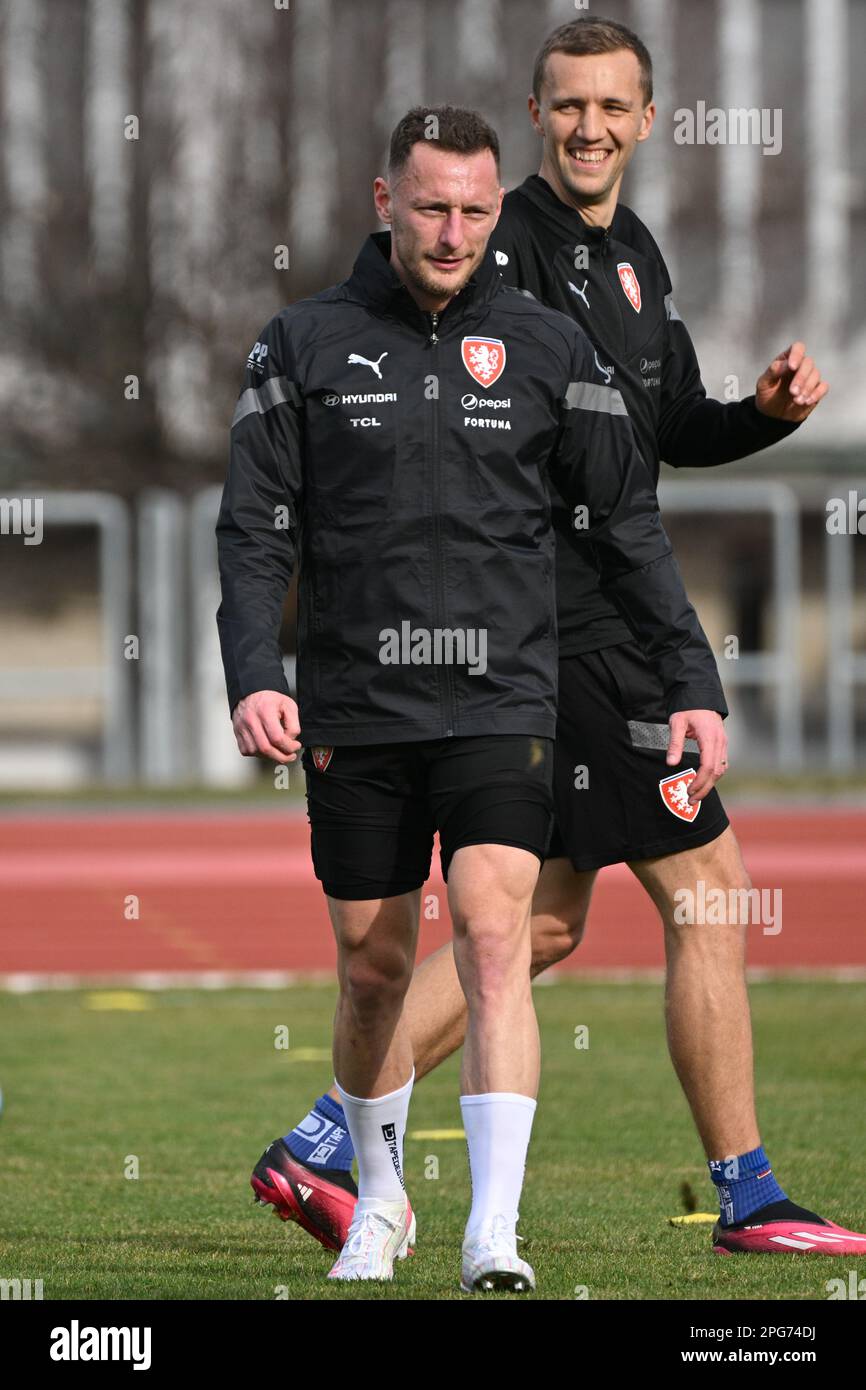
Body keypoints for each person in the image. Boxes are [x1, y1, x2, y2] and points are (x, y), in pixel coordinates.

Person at [255, 21, 866, 1261]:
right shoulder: (505, 245)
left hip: (589, 627)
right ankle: (745, 1193)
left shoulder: (628, 253)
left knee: (536, 924)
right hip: (565, 631)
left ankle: (325, 1137)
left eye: (612, 105)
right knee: (706, 887)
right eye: (568, 104)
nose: (589, 124)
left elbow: (662, 432)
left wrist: (756, 413)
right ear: (535, 115)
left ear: (648, 119)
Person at [219, 104, 729, 1291]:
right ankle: (379, 1204)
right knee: (372, 967)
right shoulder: (300, 343)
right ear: (382, 198)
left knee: (496, 937)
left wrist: (690, 680)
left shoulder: (551, 347)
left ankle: (491, 1232)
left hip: (505, 694)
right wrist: (254, 672)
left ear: (498, 210)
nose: (453, 232)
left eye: (476, 210)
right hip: (355, 703)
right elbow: (253, 530)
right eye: (432, 205)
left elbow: (627, 524)